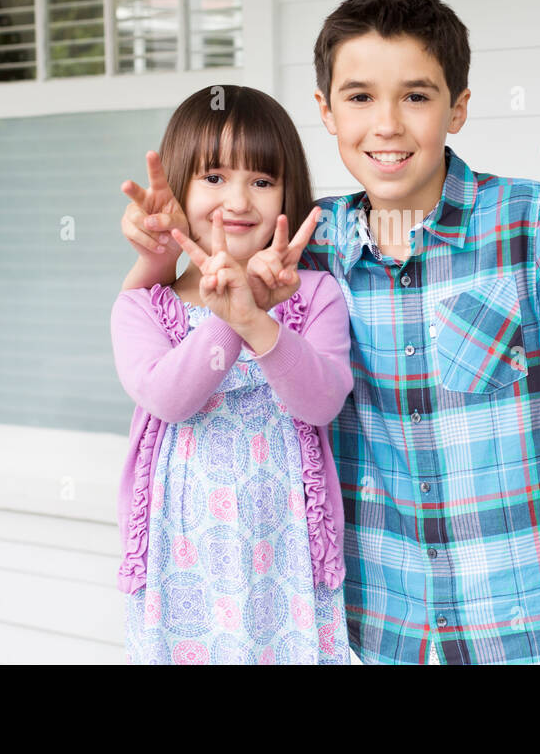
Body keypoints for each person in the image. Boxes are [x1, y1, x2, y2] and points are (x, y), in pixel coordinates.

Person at [118, 0, 540, 664]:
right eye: (361, 97)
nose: (388, 125)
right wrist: (153, 253)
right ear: (326, 110)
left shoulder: (532, 222)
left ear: (457, 107)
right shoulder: (303, 249)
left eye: (417, 96)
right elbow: (190, 310)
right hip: (389, 642)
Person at [110, 84, 354, 664]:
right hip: (183, 559)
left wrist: (259, 319)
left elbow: (320, 403)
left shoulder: (315, 294)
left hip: (286, 555)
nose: (239, 201)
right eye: (214, 178)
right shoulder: (144, 305)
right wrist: (232, 318)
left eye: (263, 181)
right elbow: (170, 398)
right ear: (178, 188)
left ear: (288, 192)